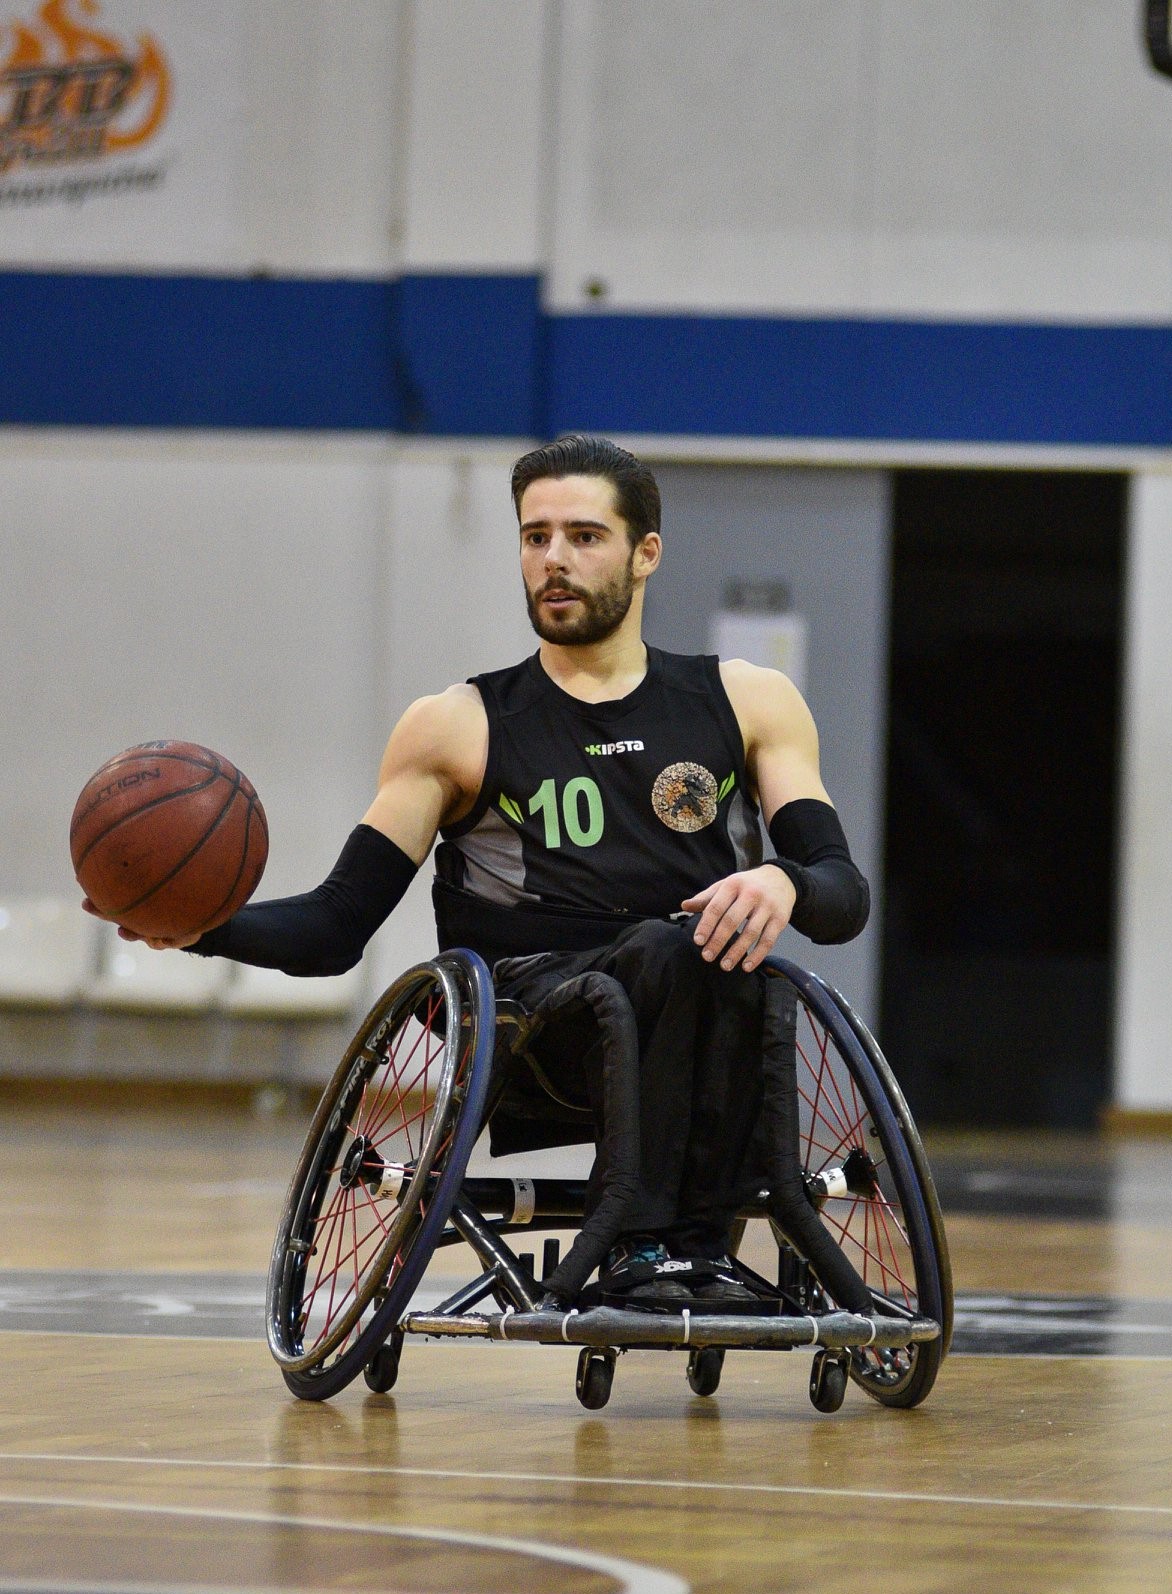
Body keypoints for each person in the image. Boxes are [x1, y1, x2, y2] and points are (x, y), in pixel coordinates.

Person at [85, 435, 870, 1311]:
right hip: (541, 1025)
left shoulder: (746, 700)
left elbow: (842, 895)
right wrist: (203, 929)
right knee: (667, 952)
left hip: (700, 999)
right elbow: (339, 925)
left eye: (583, 536)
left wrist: (787, 883)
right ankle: (655, 1251)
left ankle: (688, 1245)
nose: (554, 561)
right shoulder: (455, 724)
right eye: (535, 538)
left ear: (646, 553)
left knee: (717, 960)